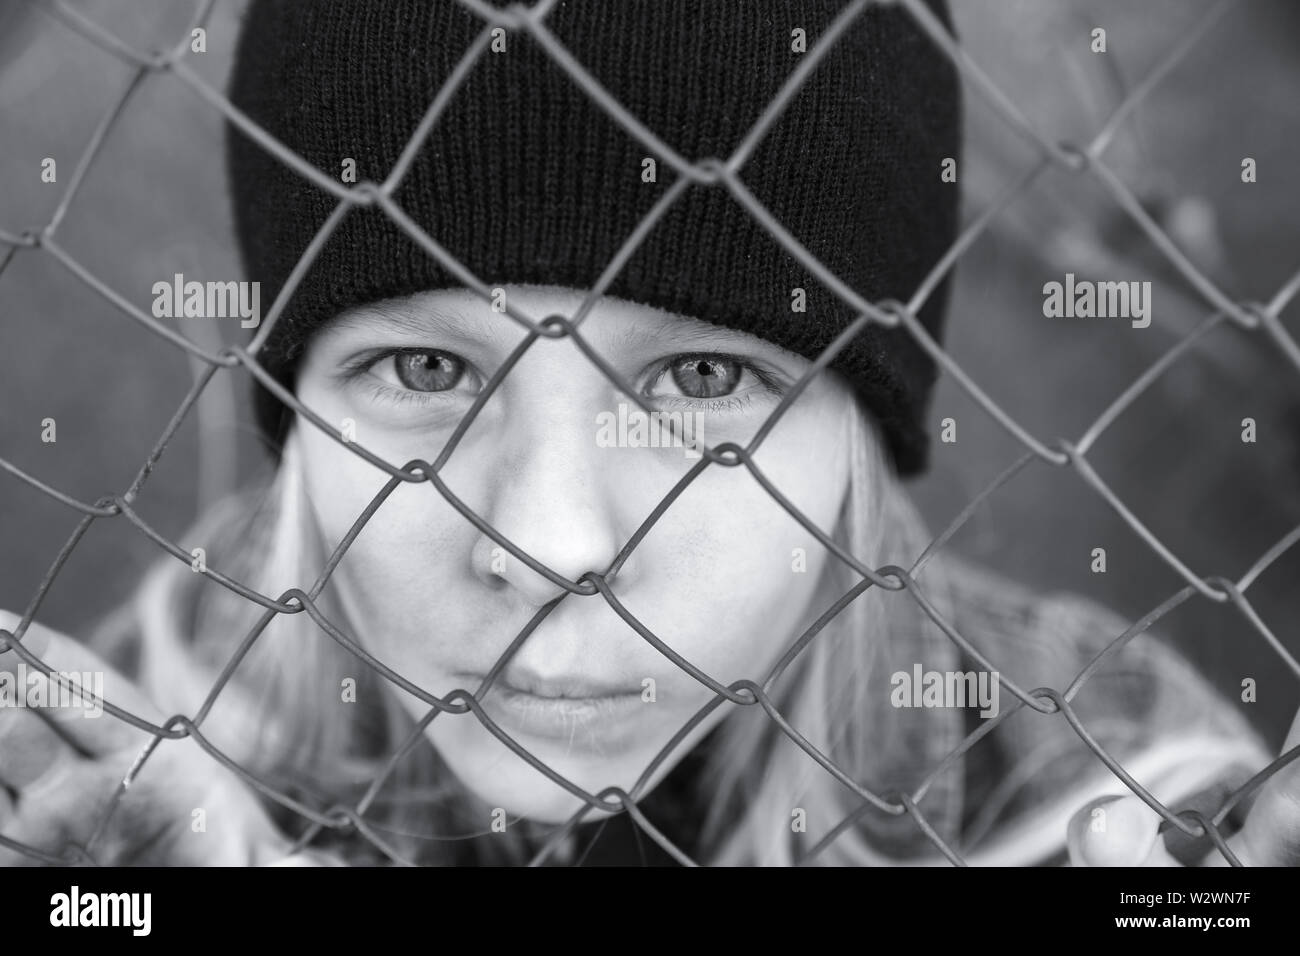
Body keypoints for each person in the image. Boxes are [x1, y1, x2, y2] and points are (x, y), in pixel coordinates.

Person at [0, 0, 1292, 868]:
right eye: (421, 365)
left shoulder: (1108, 763)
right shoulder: (143, 729)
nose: (554, 542)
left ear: (863, 421)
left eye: (704, 376)